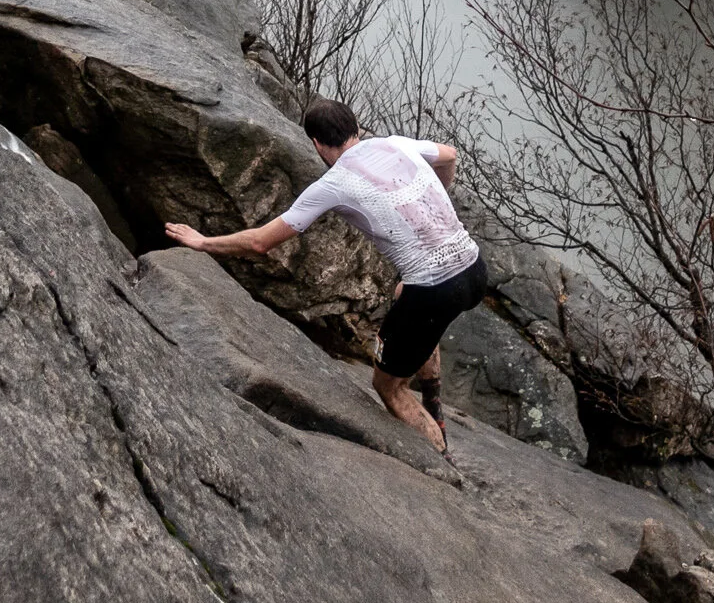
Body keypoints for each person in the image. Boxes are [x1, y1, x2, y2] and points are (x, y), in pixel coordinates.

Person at [163, 97, 486, 453]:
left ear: (317, 143)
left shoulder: (334, 183)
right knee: (404, 294)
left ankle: (443, 464)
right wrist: (442, 193)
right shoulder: (395, 143)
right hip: (474, 268)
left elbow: (259, 243)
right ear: (356, 127)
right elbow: (450, 154)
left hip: (435, 290)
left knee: (389, 388)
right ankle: (434, 400)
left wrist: (203, 241)